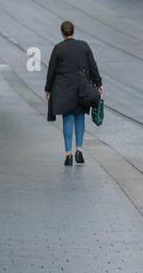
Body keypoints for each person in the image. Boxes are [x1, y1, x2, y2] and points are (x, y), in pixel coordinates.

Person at [44, 20, 103, 167]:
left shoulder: (58, 49)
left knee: (68, 119)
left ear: (62, 33)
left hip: (64, 90)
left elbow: (51, 71)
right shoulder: (84, 46)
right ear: (73, 31)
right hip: (82, 90)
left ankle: (68, 154)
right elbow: (93, 66)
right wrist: (99, 84)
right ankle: (79, 150)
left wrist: (48, 89)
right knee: (80, 118)